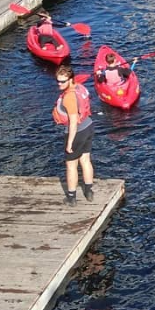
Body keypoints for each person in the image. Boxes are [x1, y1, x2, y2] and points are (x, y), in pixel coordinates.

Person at [52, 62, 95, 204]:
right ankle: (89, 191)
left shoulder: (69, 97)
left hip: (77, 131)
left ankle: (71, 197)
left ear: (70, 80)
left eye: (62, 81)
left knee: (71, 166)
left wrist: (69, 142)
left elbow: (73, 120)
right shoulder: (79, 87)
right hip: (88, 125)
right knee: (85, 160)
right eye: (57, 81)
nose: (59, 84)